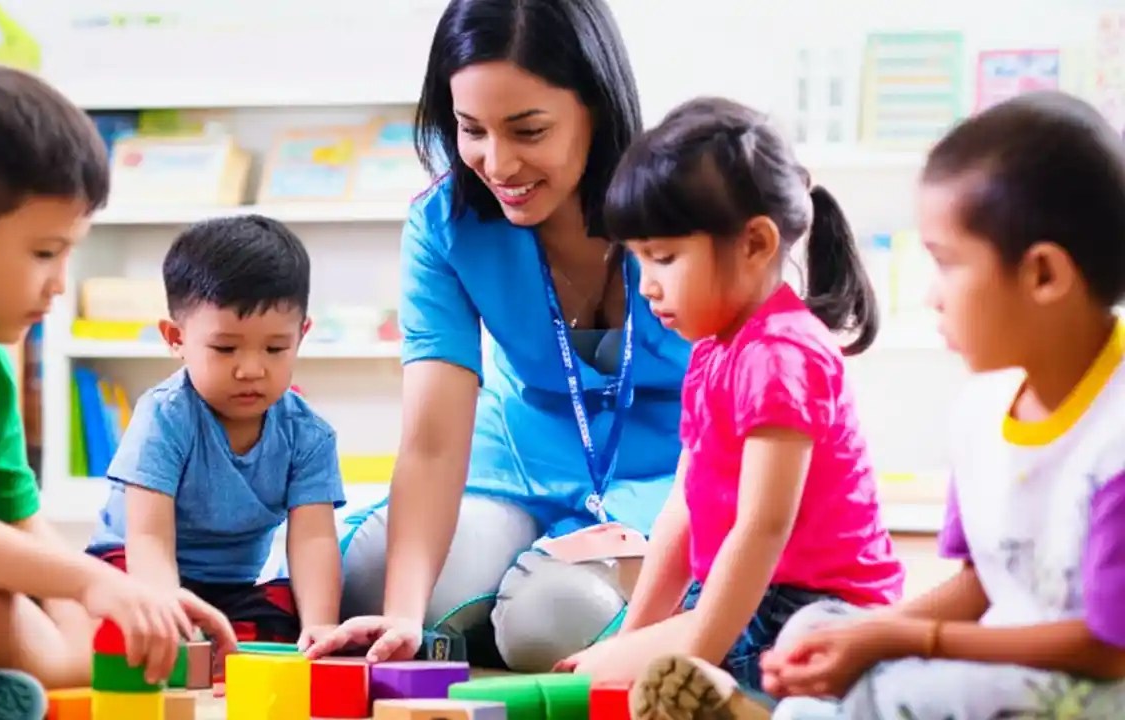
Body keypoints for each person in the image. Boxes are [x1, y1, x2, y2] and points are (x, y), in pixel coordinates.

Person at [305, 0, 692, 671]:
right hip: (517, 459)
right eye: (471, 129)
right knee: (375, 582)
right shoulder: (445, 224)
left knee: (549, 622)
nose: (497, 162)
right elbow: (431, 441)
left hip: (674, 472)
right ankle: (507, 600)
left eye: (528, 130)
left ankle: (547, 614)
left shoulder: (688, 206)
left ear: (595, 108)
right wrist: (402, 613)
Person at [0, 66, 236, 718]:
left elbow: (20, 521)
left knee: (73, 619)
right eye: (44, 253)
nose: (59, 285)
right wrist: (88, 583)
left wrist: (126, 598)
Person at [723, 90, 1125, 720]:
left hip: (1090, 683)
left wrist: (906, 637)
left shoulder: (1113, 436)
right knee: (809, 630)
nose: (933, 295)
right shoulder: (982, 411)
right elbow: (982, 583)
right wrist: (862, 636)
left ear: (1044, 274)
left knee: (912, 689)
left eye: (947, 263)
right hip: (998, 657)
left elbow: (1109, 650)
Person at [554, 96, 905, 705]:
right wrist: (628, 641)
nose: (649, 283)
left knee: (667, 683)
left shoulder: (783, 353)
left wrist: (691, 656)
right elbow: (682, 516)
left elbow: (764, 526)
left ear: (755, 244)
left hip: (820, 612)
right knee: (595, 679)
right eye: (638, 259)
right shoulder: (715, 354)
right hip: (743, 598)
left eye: (664, 257)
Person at [86, 215, 347, 648]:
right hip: (137, 566)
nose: (251, 369)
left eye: (275, 348)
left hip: (231, 589)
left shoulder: (309, 436)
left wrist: (320, 627)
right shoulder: (165, 416)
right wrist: (166, 607)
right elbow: (148, 536)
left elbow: (314, 539)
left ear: (302, 335)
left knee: (286, 617)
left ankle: (213, 643)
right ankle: (181, 638)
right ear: (176, 338)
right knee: (113, 612)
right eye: (225, 348)